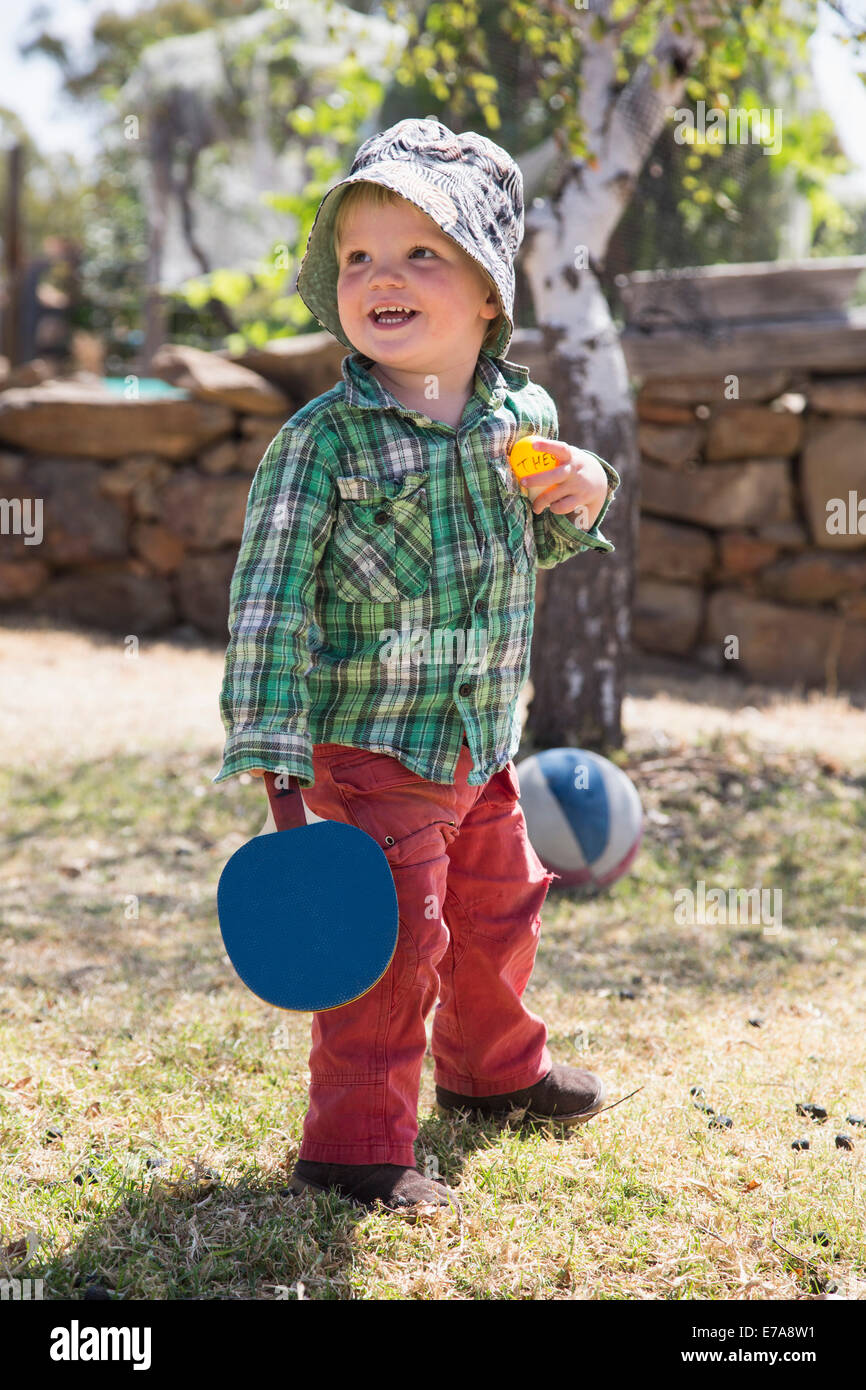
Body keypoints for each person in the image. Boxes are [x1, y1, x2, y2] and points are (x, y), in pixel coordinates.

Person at [214, 117, 621, 1212]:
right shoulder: (323, 442)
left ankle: (493, 1072)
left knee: (497, 912)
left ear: (487, 290)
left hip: (479, 739)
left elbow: (530, 539)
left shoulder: (519, 417)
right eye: (357, 257)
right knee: (392, 948)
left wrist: (582, 490)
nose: (379, 278)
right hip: (368, 746)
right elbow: (268, 598)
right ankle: (354, 1145)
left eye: (418, 254)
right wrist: (272, 750)